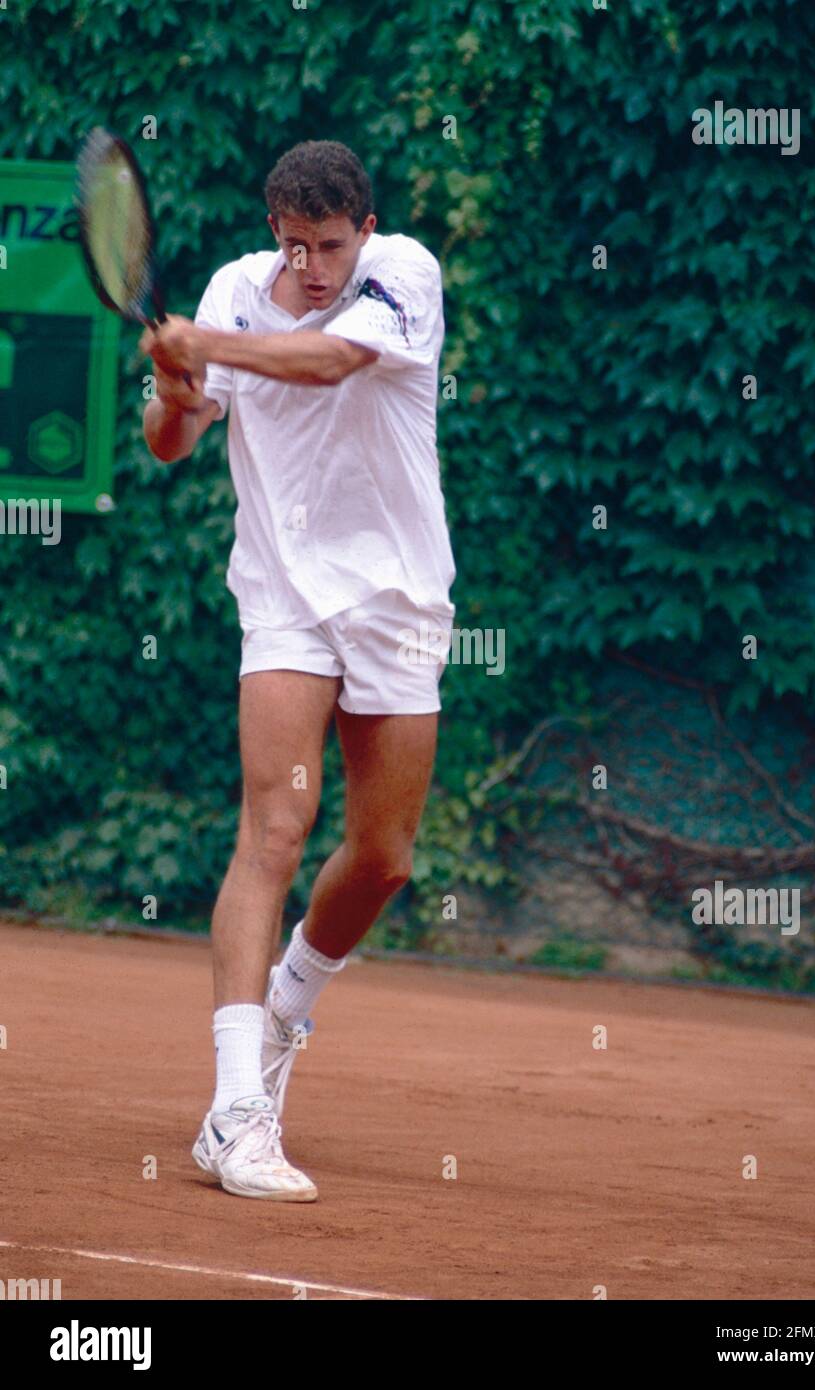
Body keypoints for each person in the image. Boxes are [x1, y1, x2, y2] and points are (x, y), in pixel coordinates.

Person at [141, 140, 456, 1201]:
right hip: (281, 598)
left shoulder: (402, 274)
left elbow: (325, 361)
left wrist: (211, 345)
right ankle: (237, 1111)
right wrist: (177, 383)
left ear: (362, 229)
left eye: (328, 245)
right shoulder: (234, 290)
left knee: (382, 857)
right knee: (272, 831)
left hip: (398, 602)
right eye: (294, 246)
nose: (311, 269)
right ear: (271, 230)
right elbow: (169, 443)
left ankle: (287, 1002)